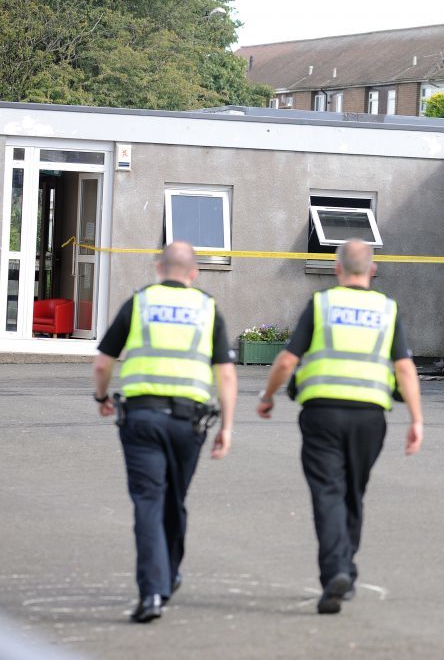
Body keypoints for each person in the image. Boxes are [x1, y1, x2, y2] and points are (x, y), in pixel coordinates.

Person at [257, 239, 423, 615]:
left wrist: (267, 396)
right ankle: (345, 565)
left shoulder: (321, 304)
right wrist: (416, 419)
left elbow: (286, 361)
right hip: (370, 418)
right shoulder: (387, 308)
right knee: (352, 491)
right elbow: (405, 369)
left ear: (337, 268)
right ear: (373, 269)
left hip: (323, 415)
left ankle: (336, 570)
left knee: (328, 493)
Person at [93, 241, 237, 623]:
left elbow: (103, 362)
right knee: (174, 499)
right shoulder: (207, 308)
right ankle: (166, 575)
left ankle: (153, 592)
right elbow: (225, 373)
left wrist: (102, 396)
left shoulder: (139, 302)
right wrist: (228, 426)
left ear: (159, 268)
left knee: (148, 502)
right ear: (194, 273)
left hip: (141, 420)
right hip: (188, 424)